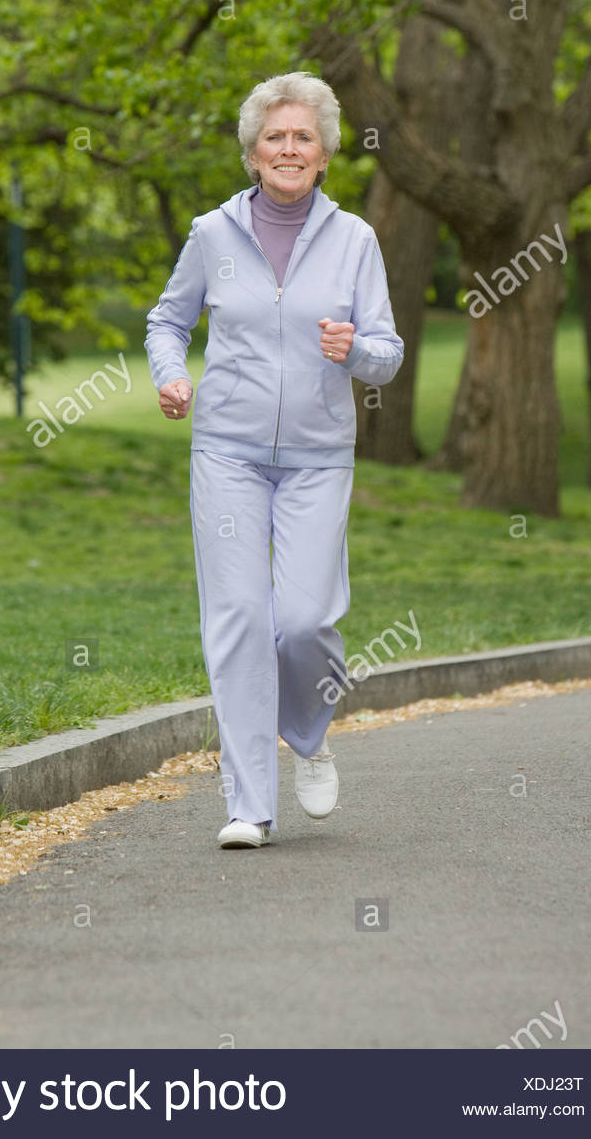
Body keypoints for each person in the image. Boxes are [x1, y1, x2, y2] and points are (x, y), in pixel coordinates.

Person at [145, 71, 404, 849]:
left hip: (319, 457)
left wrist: (353, 348)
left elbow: (388, 355)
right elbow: (167, 320)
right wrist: (171, 374)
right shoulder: (212, 234)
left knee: (302, 620)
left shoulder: (355, 239)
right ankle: (249, 804)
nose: (289, 149)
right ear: (252, 153)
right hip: (227, 450)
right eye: (274, 137)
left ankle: (310, 732)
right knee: (239, 620)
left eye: (303, 137)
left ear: (324, 154)